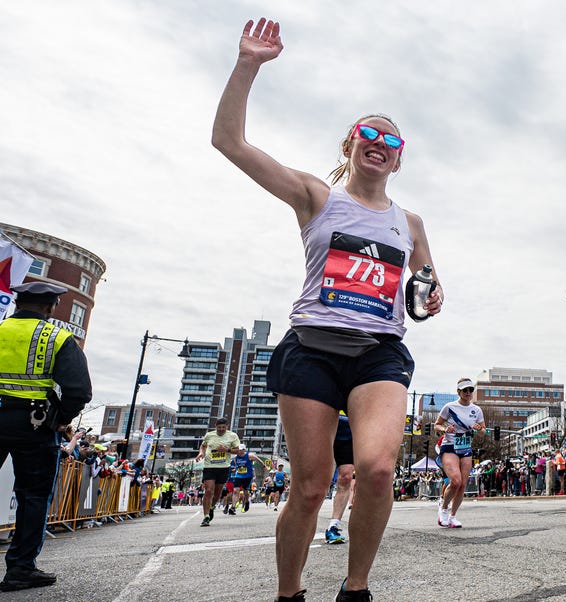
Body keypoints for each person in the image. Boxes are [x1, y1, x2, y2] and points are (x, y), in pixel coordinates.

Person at [212, 18, 443, 601]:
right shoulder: (317, 196)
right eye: (368, 133)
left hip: (378, 353)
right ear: (350, 145)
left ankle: (355, 588)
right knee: (311, 486)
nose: (379, 142)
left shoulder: (410, 223)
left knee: (378, 470)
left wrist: (431, 296)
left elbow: (424, 286)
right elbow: (229, 143)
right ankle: (289, 592)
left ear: (398, 160)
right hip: (312, 349)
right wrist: (248, 65)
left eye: (391, 141)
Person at [0, 282, 91, 592]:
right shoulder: (57, 337)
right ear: (51, 307)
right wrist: (62, 419)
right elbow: (79, 390)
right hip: (34, 424)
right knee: (33, 497)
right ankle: (20, 568)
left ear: (17, 303)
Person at [434, 378, 484, 528]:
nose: (468, 393)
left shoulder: (477, 410)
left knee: (462, 484)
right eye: (465, 390)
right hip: (450, 446)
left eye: (470, 390)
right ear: (459, 392)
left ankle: (452, 517)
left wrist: (478, 429)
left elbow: (483, 430)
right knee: (455, 481)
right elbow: (436, 425)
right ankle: (443, 509)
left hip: (466, 448)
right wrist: (445, 429)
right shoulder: (449, 407)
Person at [194, 417, 241, 527]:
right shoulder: (209, 435)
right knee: (209, 491)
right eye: (219, 427)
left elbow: (238, 451)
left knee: (217, 493)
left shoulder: (232, 436)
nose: (221, 429)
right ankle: (206, 516)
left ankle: (211, 507)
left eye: (223, 427)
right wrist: (201, 453)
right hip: (209, 466)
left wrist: (226, 450)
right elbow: (203, 446)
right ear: (215, 426)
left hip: (223, 467)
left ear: (227, 427)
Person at [327, 411, 355, 544]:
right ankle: (300, 525)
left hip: (350, 427)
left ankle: (333, 526)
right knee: (316, 481)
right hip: (323, 421)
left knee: (346, 477)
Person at [225, 444, 260, 514]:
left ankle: (246, 502)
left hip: (247, 476)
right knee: (235, 491)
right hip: (238, 476)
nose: (240, 451)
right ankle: (233, 507)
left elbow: (257, 459)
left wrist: (264, 465)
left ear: (244, 450)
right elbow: (236, 465)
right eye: (239, 450)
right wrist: (236, 469)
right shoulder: (236, 457)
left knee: (245, 491)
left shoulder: (249, 456)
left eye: (241, 450)